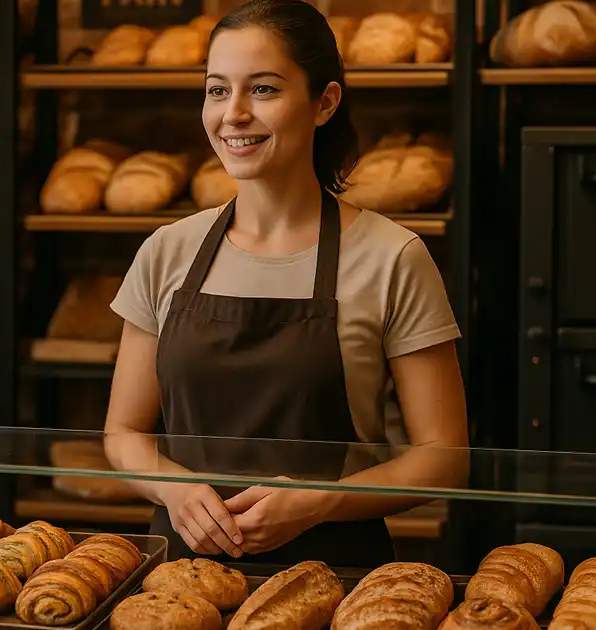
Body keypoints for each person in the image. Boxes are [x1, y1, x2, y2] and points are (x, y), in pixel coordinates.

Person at [101, 0, 469, 568]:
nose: (234, 114)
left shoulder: (393, 257)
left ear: (324, 103)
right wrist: (173, 489)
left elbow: (444, 457)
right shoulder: (166, 250)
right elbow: (123, 433)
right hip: (182, 577)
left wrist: (320, 502)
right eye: (217, 90)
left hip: (336, 577)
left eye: (264, 89)